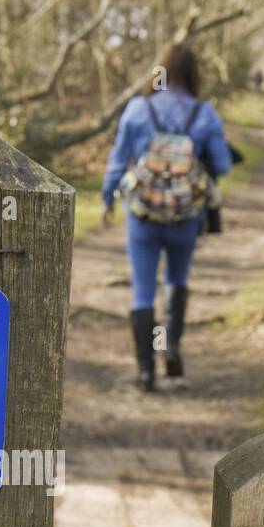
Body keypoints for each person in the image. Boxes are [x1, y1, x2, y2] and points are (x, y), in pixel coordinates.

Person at [101, 43, 233, 391]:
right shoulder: (204, 114)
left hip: (143, 215)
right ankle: (170, 346)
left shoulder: (138, 109)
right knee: (177, 277)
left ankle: (146, 372)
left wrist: (108, 199)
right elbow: (221, 165)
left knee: (143, 290)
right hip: (186, 216)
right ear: (193, 74)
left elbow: (118, 160)